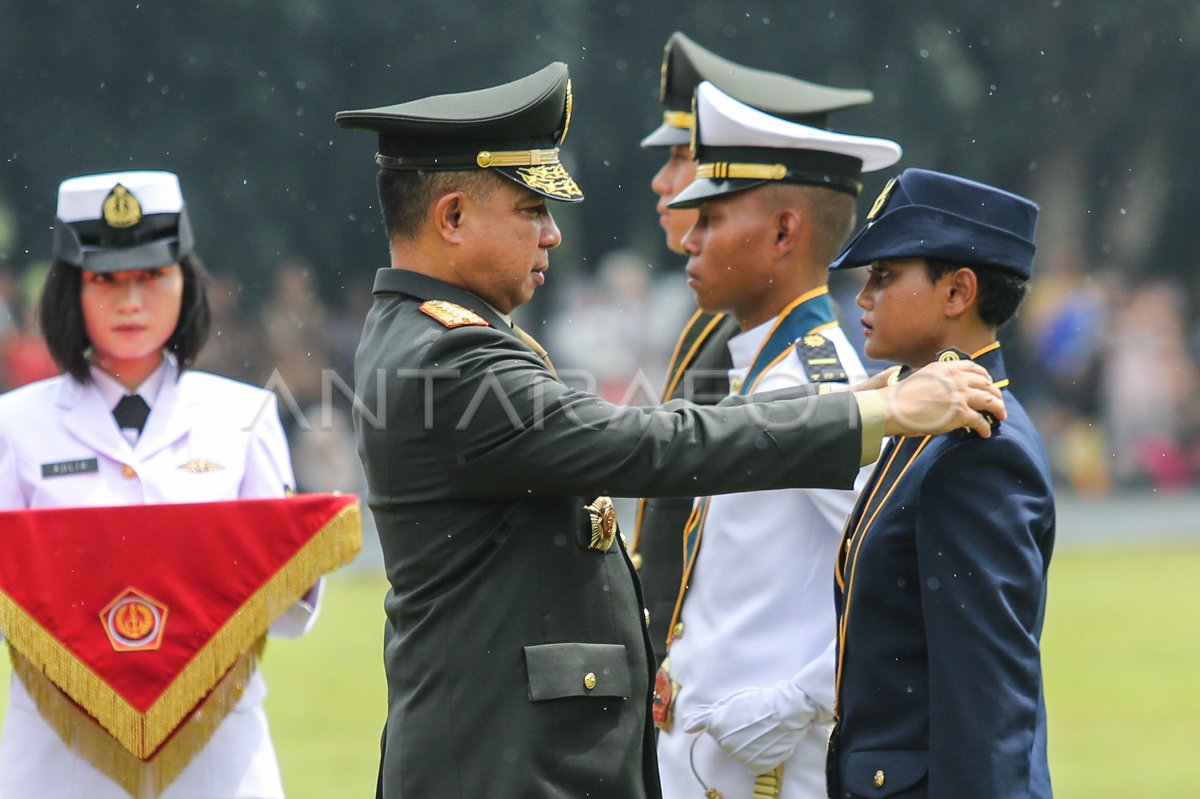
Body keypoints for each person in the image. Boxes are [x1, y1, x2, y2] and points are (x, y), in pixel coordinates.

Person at [335, 62, 1005, 799]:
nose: (552, 235)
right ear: (452, 217)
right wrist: (874, 413)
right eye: (532, 209)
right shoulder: (453, 353)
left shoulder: (433, 333)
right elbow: (647, 444)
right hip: (500, 763)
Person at [0, 170, 321, 799]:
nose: (131, 302)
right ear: (70, 290)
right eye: (105, 281)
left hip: (216, 757)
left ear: (186, 283)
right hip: (60, 757)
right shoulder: (15, 426)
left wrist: (295, 557)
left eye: (152, 276)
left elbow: (289, 611)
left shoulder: (244, 416)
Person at [652, 81, 901, 799]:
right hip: (711, 764)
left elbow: (902, 576)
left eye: (713, 217)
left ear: (785, 232)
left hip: (767, 775)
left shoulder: (817, 386)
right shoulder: (763, 367)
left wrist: (801, 698)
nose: (690, 238)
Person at [633, 31, 877, 661]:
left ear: (782, 229)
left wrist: (798, 699)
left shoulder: (803, 368)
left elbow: (889, 566)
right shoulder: (725, 328)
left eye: (685, 162)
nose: (666, 185)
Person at [825, 168, 1055, 798]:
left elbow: (987, 699)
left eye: (884, 276)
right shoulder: (927, 417)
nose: (863, 297)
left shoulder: (978, 449)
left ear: (958, 292)